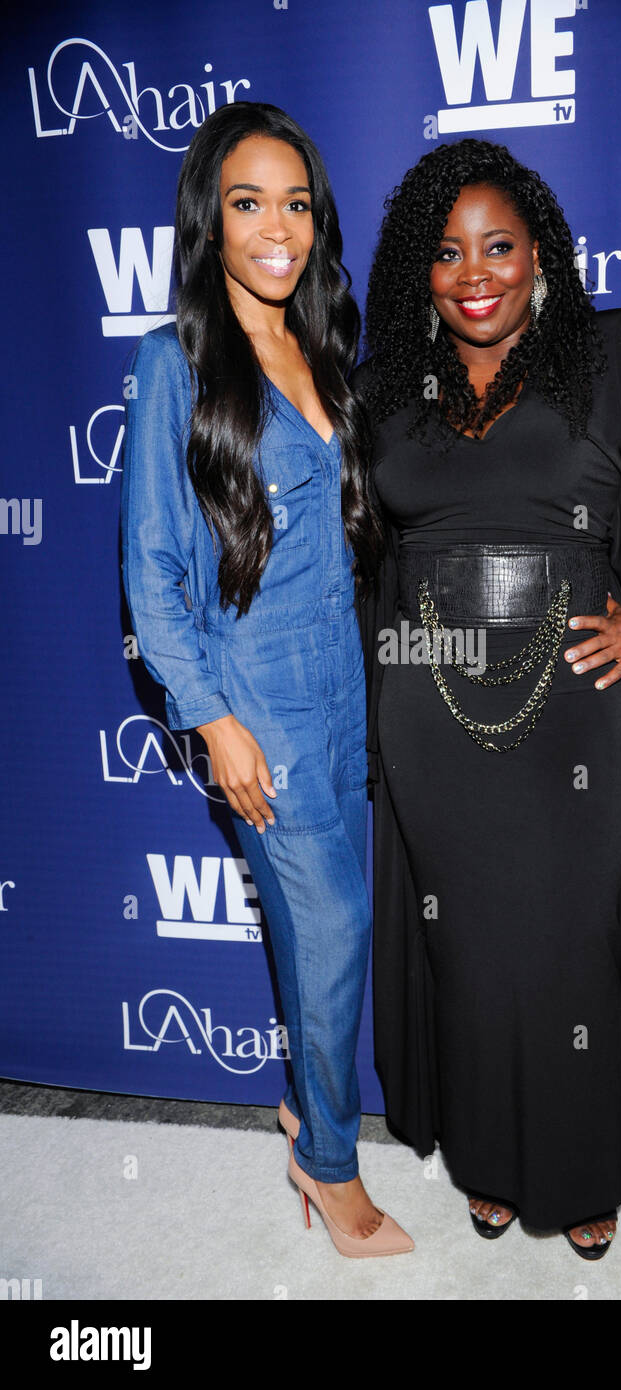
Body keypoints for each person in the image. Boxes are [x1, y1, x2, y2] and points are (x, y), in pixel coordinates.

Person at [356, 138, 621, 1256]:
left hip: (573, 726)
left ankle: (583, 1167)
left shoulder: (611, 354)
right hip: (432, 724)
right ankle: (490, 1157)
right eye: (447, 252)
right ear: (420, 270)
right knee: (468, 953)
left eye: (499, 244)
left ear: (540, 250)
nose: (476, 272)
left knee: (566, 953)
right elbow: (356, 557)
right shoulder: (388, 389)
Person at [120, 101, 412, 1258]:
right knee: (333, 925)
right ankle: (327, 1163)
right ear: (210, 219)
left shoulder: (323, 347)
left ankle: (308, 1100)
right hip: (262, 701)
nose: (278, 227)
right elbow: (151, 566)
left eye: (296, 203)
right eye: (250, 203)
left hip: (349, 685)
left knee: (323, 930)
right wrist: (215, 721)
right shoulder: (173, 362)